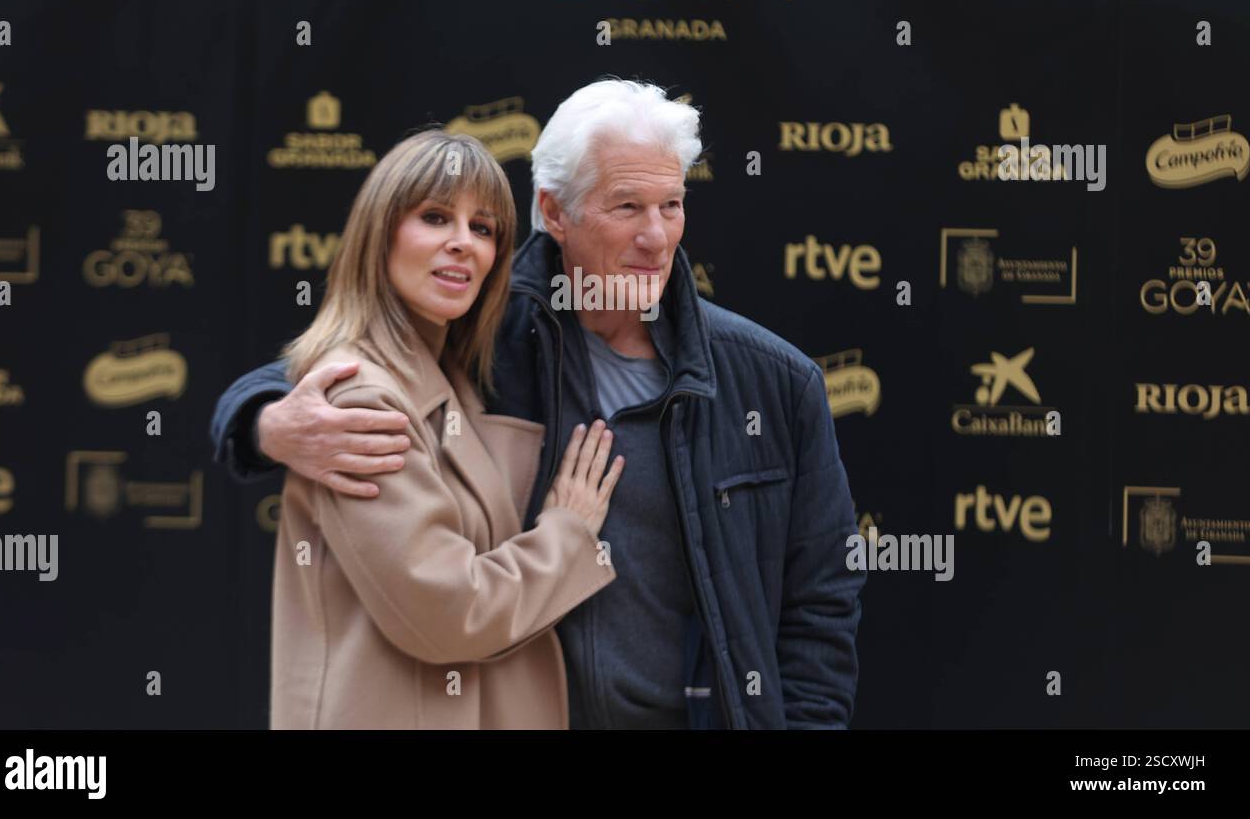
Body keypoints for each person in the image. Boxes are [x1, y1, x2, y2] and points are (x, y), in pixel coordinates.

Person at [212, 79, 865, 729]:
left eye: (671, 204)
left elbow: (820, 607)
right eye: (627, 206)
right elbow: (340, 364)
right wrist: (266, 422)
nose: (657, 237)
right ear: (555, 212)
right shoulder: (480, 340)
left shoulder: (775, 382)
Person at [265, 128, 623, 729]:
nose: (463, 243)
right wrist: (568, 533)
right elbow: (450, 613)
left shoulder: (442, 377)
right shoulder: (359, 395)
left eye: (482, 229)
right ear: (380, 235)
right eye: (435, 217)